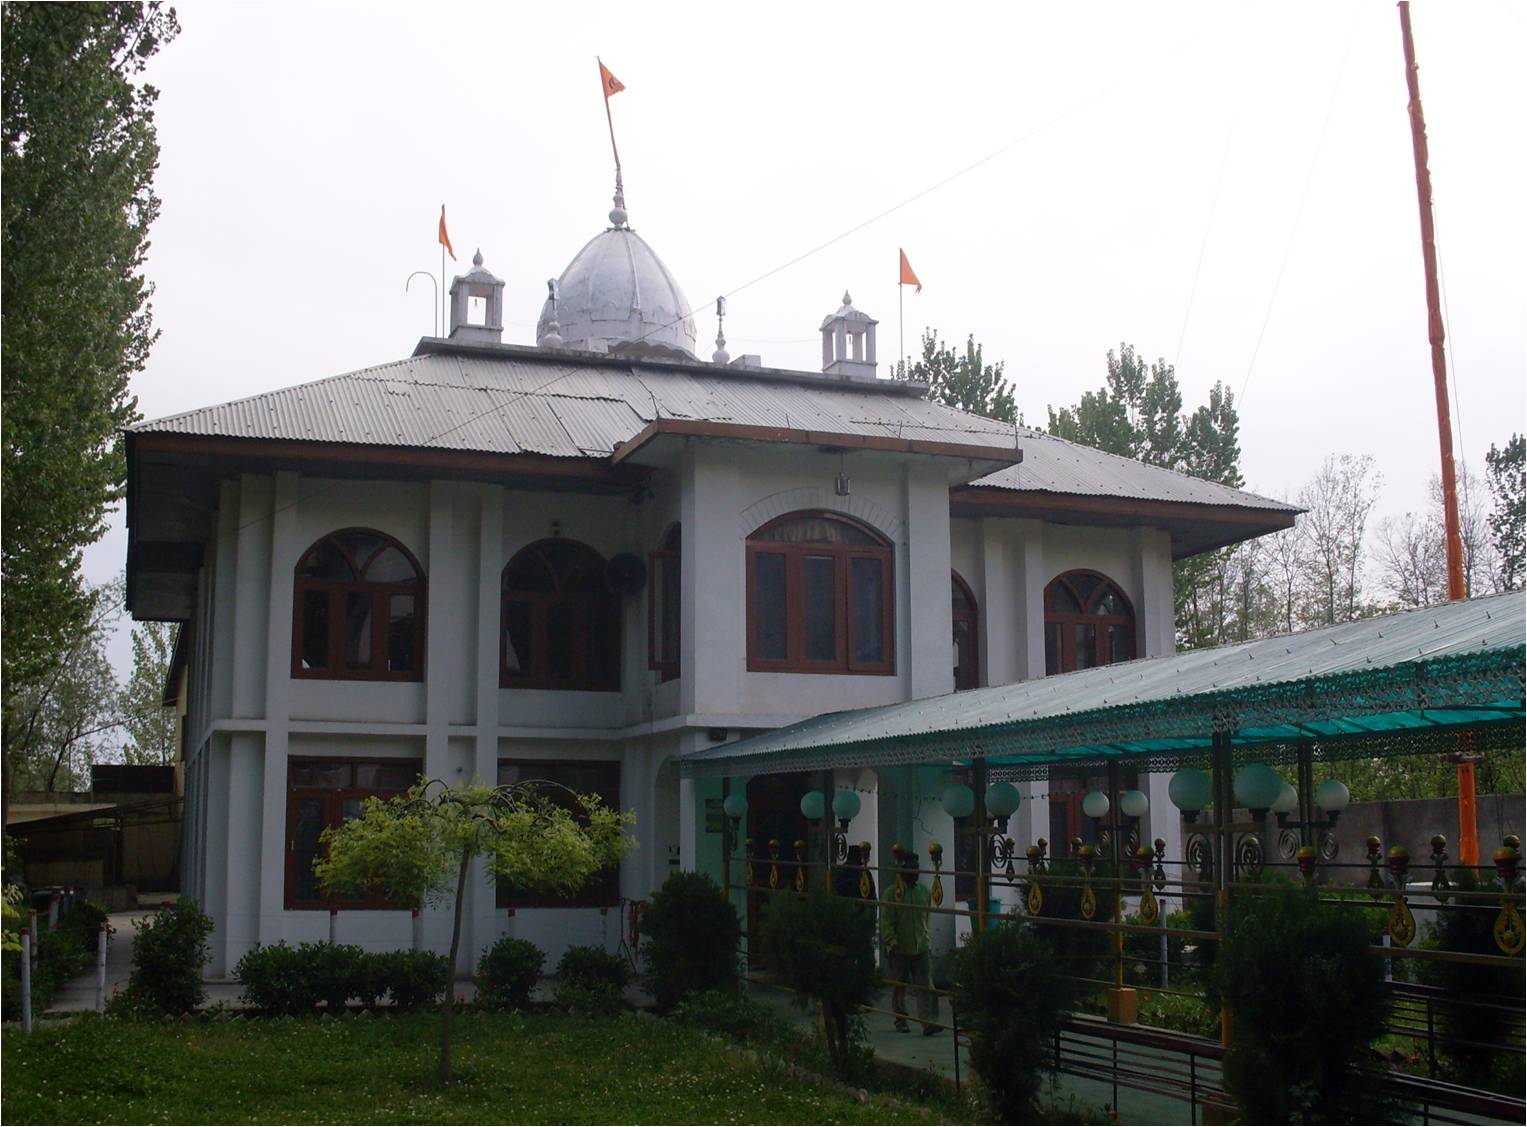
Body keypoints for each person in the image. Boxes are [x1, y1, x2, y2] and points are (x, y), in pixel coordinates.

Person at [882, 852, 939, 1035]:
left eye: (917, 867)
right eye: (912, 868)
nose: (915, 871)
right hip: (900, 948)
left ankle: (927, 1022)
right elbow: (886, 921)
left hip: (921, 947)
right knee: (900, 986)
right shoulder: (892, 893)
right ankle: (901, 1020)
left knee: (925, 987)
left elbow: (926, 918)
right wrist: (892, 942)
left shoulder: (924, 892)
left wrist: (926, 941)